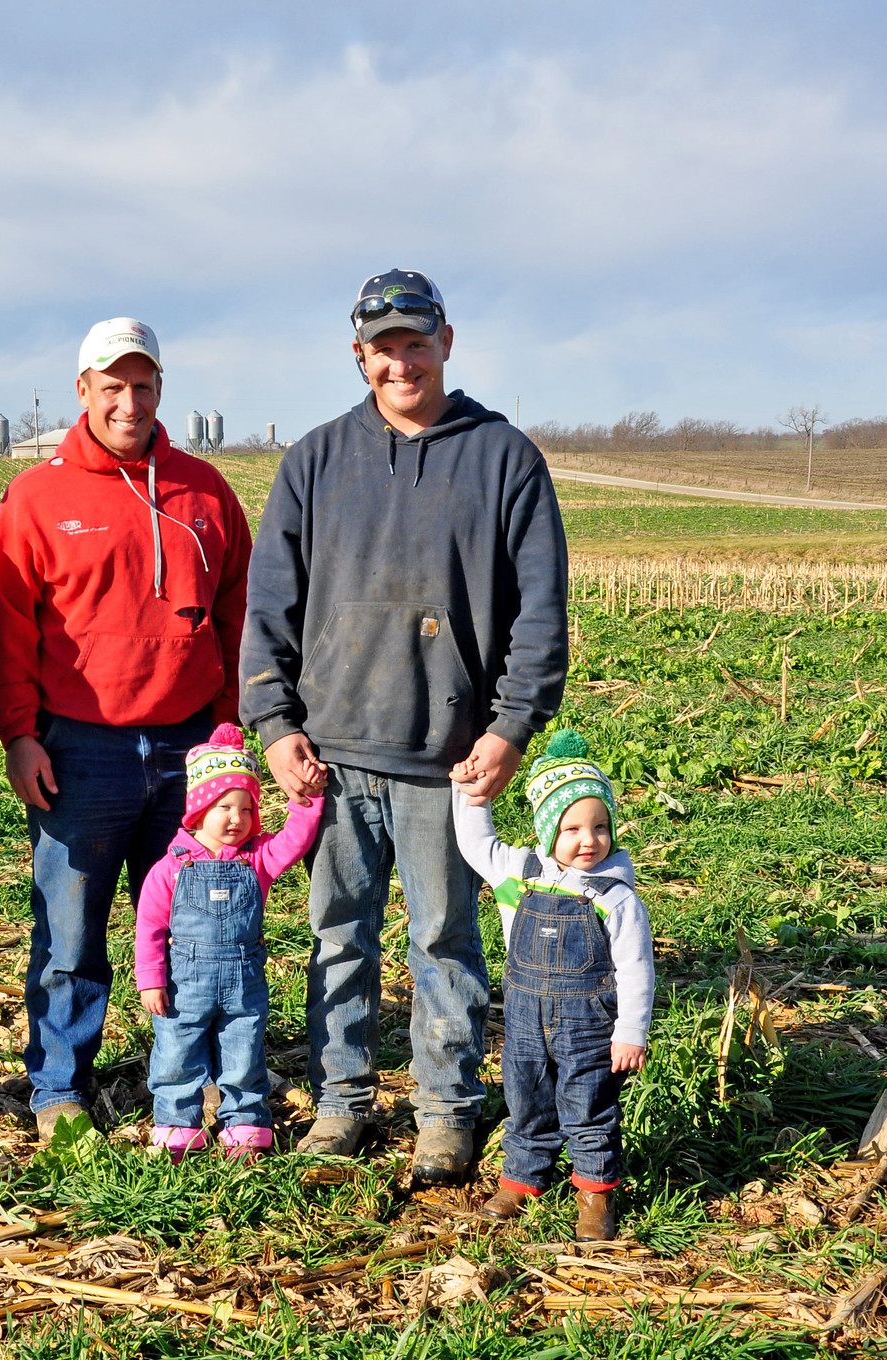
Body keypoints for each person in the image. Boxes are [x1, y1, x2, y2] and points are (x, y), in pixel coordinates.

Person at [240, 269, 569, 1186]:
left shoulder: (504, 459)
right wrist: (273, 722)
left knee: (443, 942)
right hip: (332, 757)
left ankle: (445, 1113)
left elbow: (540, 613)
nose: (400, 362)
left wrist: (510, 726)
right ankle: (341, 1104)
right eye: (381, 349)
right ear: (359, 357)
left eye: (414, 343)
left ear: (446, 343)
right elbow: (269, 607)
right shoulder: (314, 460)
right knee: (337, 936)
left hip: (448, 760)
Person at [0, 317, 253, 1141]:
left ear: (161, 388)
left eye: (143, 385)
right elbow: (8, 626)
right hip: (80, 746)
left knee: (199, 925)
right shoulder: (38, 497)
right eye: (112, 386)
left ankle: (194, 1076)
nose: (128, 402)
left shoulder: (204, 492)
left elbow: (240, 615)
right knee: (71, 928)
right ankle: (60, 1085)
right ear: (83, 391)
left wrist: (232, 723)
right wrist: (20, 734)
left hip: (189, 748)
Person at [452, 729, 652, 1241]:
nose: (589, 841)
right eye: (572, 829)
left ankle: (595, 1194)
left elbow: (635, 968)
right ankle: (523, 1178)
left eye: (601, 826)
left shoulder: (616, 896)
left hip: (589, 1026)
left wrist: (630, 1030)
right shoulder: (519, 872)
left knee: (588, 1103)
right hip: (523, 1019)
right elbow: (475, 842)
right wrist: (472, 794)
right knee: (526, 1097)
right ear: (546, 830)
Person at [134, 724, 324, 1159]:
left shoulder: (258, 859)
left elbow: (296, 839)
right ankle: (176, 1125)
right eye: (224, 807)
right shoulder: (171, 867)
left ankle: (244, 1124)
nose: (237, 819)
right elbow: (150, 927)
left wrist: (307, 800)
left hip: (244, 980)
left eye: (245, 809)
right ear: (198, 811)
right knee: (176, 1054)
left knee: (243, 1052)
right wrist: (151, 979)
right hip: (183, 985)